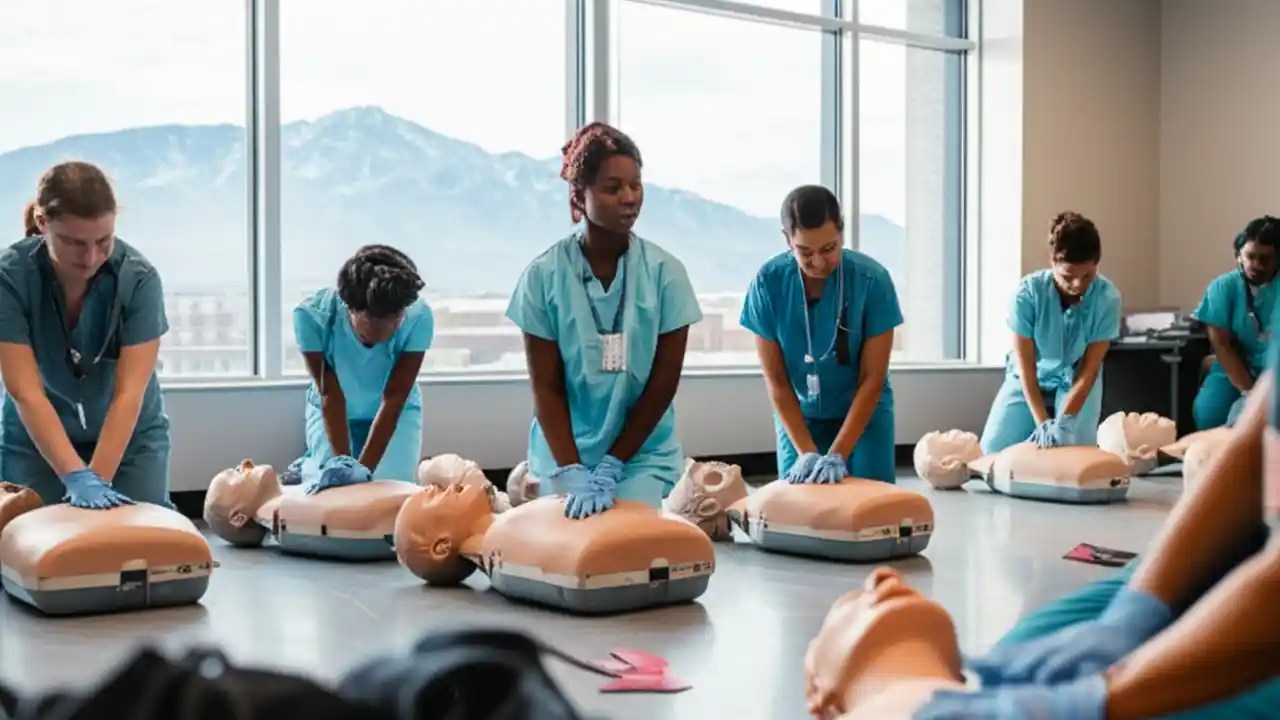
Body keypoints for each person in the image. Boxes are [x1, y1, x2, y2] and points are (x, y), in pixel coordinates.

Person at [915, 341, 1280, 718]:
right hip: (1250, 545)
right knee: (1029, 648)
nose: (881, 582)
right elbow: (1259, 436)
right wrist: (1135, 613)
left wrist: (1098, 701)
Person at [506, 122, 702, 520]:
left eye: (636, 185)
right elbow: (546, 389)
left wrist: (613, 463)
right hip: (565, 450)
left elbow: (662, 386)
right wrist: (572, 470)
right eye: (613, 188)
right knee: (565, 543)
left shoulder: (667, 273)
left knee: (625, 537)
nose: (629, 198)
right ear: (580, 195)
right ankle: (531, 479)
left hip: (641, 453)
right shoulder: (542, 277)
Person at [0, 161, 172, 509]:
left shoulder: (139, 280)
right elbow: (26, 393)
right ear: (42, 222)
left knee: (137, 539)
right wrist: (76, 476)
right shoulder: (10, 279)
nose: (90, 257)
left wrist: (98, 483)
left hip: (129, 434)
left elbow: (128, 394)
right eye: (73, 242)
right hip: (37, 435)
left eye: (103, 240)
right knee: (25, 536)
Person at [740, 185, 902, 485]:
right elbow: (776, 380)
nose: (818, 262)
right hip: (800, 415)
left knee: (872, 505)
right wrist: (807, 452)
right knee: (798, 507)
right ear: (787, 240)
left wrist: (837, 453)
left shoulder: (872, 281)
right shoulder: (768, 284)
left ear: (841, 234)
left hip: (863, 410)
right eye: (805, 252)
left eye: (829, 249)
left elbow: (872, 378)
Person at [284, 245, 434, 493]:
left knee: (389, 489)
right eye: (369, 334)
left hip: (396, 406)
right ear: (349, 307)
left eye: (395, 321)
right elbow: (330, 394)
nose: (385, 334)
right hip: (331, 403)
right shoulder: (311, 316)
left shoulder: (419, 316)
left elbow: (394, 399)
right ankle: (308, 464)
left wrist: (362, 475)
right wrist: (344, 467)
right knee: (328, 487)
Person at [978, 212, 1122, 454]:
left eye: (1087, 275)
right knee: (991, 454)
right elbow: (1026, 369)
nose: (1077, 285)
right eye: (1068, 276)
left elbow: (1089, 370)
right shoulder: (1027, 295)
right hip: (1031, 376)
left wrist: (1065, 420)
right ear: (1052, 261)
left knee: (1075, 454)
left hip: (1076, 379)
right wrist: (1042, 422)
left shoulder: (1107, 299)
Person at [1190, 215, 1279, 429]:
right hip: (1235, 361)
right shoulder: (1223, 288)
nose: (1256, 265)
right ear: (1238, 255)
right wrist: (1249, 392)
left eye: (1265, 259)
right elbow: (1221, 343)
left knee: (1251, 419)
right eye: (1250, 256)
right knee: (1208, 413)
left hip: (1275, 366)